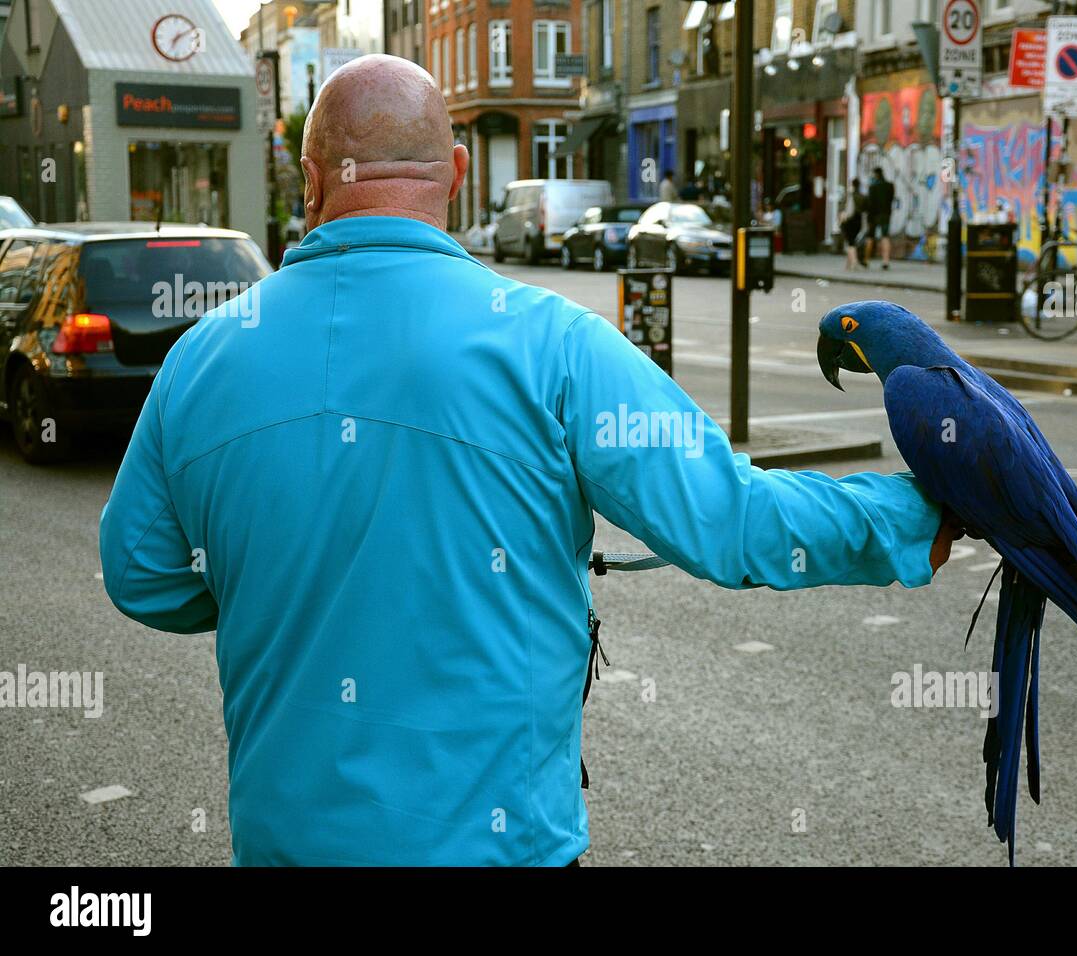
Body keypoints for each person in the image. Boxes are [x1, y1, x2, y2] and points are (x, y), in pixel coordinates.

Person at [99, 54, 959, 867]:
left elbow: (139, 572)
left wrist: (286, 587)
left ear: (311, 178)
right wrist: (915, 511)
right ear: (460, 174)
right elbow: (735, 523)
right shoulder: (554, 343)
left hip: (286, 842)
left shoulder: (202, 358)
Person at [864, 166, 895, 270]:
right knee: (885, 237)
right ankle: (885, 261)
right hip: (885, 214)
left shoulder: (872, 187)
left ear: (876, 175)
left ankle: (866, 260)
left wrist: (869, 218)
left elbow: (870, 204)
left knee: (870, 237)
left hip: (874, 215)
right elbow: (891, 200)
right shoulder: (890, 186)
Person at [841, 178, 865, 270]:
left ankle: (854, 262)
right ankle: (848, 264)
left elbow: (849, 211)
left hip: (850, 221)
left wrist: (843, 217)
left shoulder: (851, 196)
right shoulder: (862, 196)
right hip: (858, 221)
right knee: (852, 241)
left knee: (850, 242)